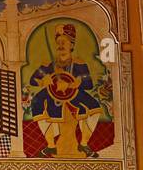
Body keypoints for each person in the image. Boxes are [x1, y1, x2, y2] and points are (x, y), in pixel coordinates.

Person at [26, 23, 104, 158]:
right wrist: (44, 80)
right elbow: (33, 80)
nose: (61, 45)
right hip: (52, 97)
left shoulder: (79, 63)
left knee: (94, 108)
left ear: (72, 45)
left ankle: (84, 143)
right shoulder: (48, 65)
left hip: (74, 96)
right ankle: (51, 146)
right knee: (37, 104)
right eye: (58, 42)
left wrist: (73, 84)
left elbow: (89, 84)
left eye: (64, 42)